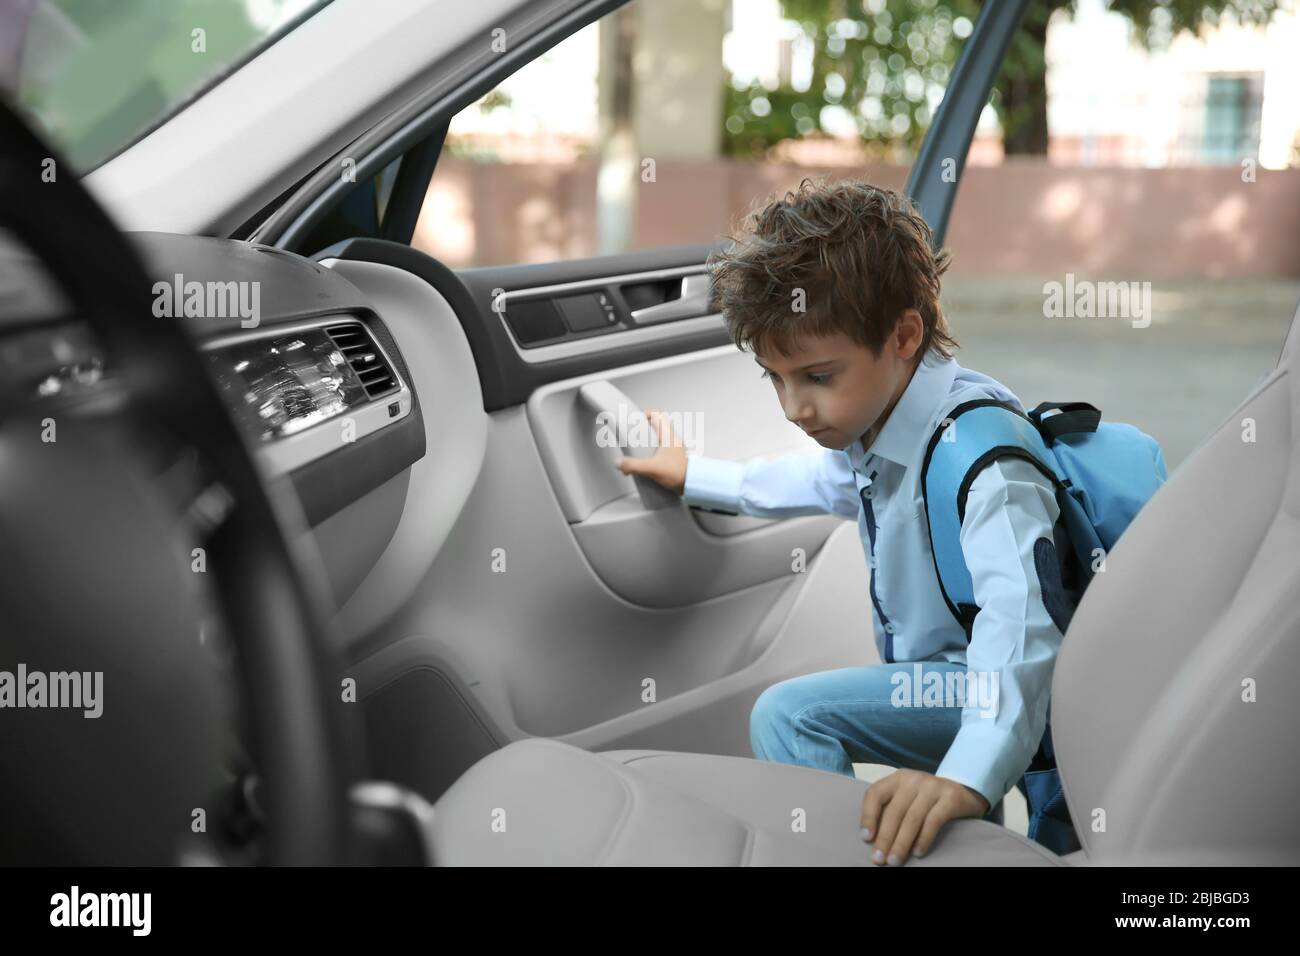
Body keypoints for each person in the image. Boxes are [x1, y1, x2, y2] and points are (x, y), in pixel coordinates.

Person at [616, 177, 1065, 867]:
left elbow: (1023, 632)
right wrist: (696, 477)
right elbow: (822, 482)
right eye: (776, 378)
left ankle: (836, 857)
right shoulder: (882, 425)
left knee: (790, 713)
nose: (794, 407)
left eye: (818, 377)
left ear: (904, 335)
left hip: (1011, 688)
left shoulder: (985, 461)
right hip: (945, 678)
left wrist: (966, 777)